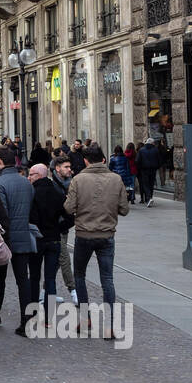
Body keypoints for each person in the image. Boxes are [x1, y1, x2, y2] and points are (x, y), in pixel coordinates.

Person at [63, 143, 129, 337]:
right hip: (107, 235)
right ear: (103, 160)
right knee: (107, 279)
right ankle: (110, 326)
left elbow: (68, 208)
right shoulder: (116, 179)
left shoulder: (78, 179)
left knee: (80, 275)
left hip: (84, 234)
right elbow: (124, 209)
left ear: (85, 161)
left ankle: (85, 319)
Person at [0, 148, 39, 336]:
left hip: (5, 239)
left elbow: (1, 214)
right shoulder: (26, 183)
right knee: (23, 280)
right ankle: (26, 321)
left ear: (0, 161)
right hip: (23, 236)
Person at [28, 162, 72, 324]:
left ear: (39, 175)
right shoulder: (57, 192)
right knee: (51, 279)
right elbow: (70, 216)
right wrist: (59, 228)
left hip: (37, 240)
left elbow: (29, 217)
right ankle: (48, 318)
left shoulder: (32, 193)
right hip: (54, 239)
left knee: (34, 277)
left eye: (31, 174)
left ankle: (32, 314)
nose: (28, 177)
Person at [49, 155, 77, 297]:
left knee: (57, 262)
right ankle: (73, 291)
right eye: (66, 167)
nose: (69, 170)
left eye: (70, 167)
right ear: (57, 168)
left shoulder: (70, 184)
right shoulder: (52, 184)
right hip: (56, 227)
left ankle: (44, 291)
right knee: (64, 258)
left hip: (65, 226)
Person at [136, 138, 161, 207]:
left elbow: (138, 161)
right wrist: (157, 167)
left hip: (144, 170)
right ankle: (149, 198)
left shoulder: (141, 150)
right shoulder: (155, 150)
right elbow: (159, 160)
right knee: (151, 184)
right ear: (152, 143)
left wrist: (140, 168)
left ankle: (148, 198)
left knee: (145, 184)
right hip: (153, 169)